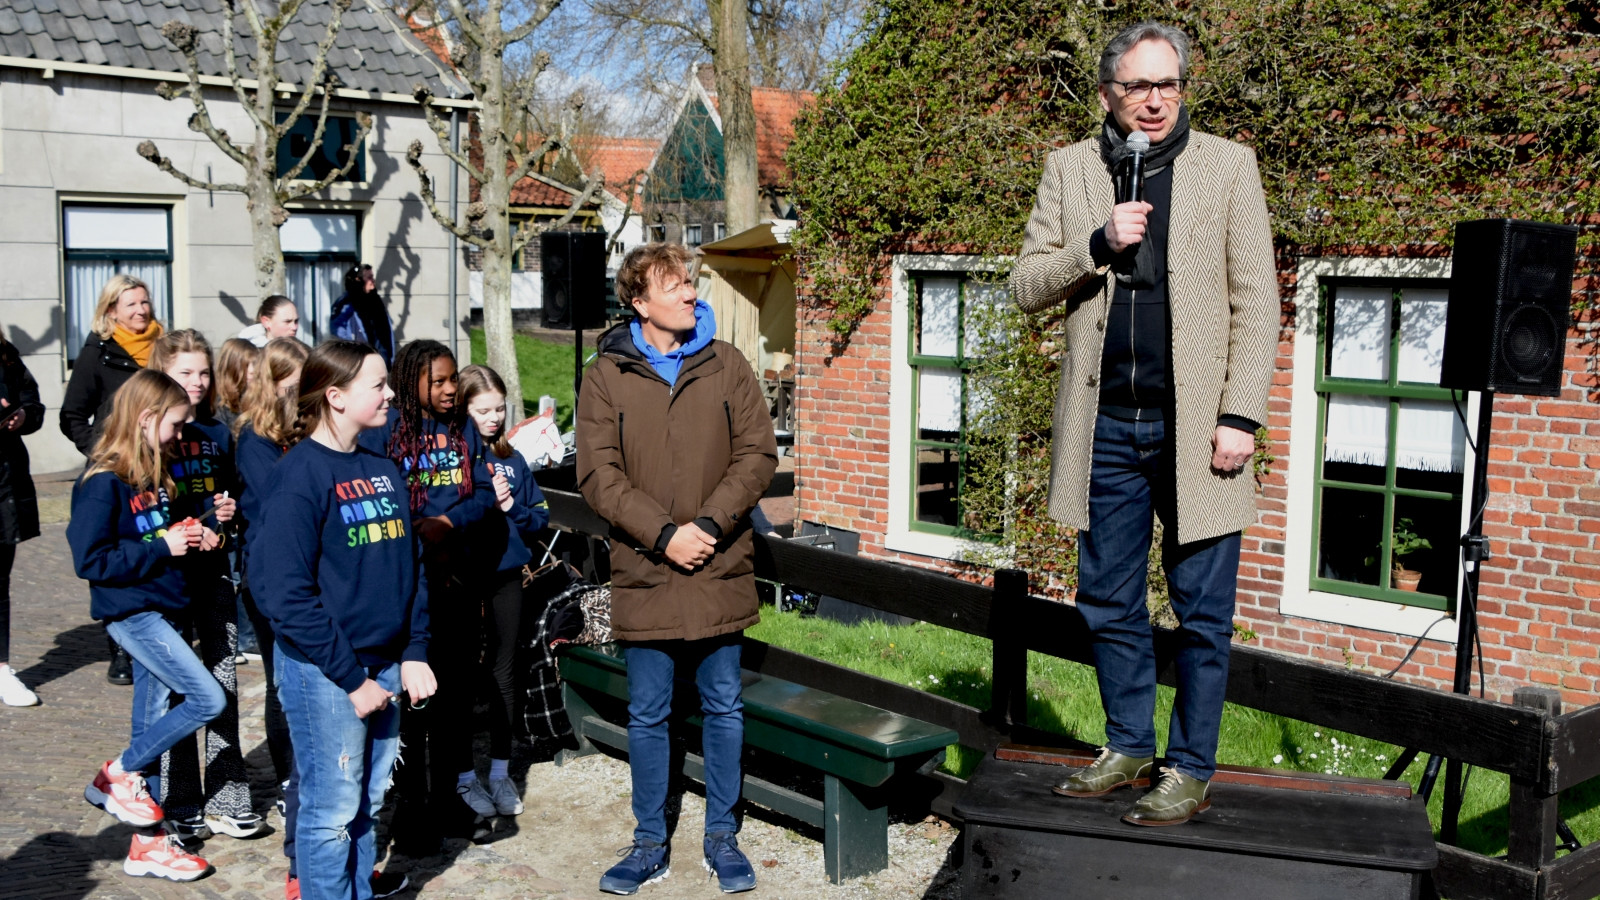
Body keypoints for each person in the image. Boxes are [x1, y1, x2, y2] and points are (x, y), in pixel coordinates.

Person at [1008, 20, 1277, 826]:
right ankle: (1128, 745)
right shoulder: (1070, 169)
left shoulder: (1228, 165)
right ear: (1107, 94)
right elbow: (1025, 286)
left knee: (1203, 612)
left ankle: (1189, 768)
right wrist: (1095, 243)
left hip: (1197, 431)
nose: (1155, 100)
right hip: (1104, 429)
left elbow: (1257, 303)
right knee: (1106, 598)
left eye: (1168, 84)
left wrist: (1239, 415)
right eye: (1138, 86)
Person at [577, 242, 777, 895]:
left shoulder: (727, 363)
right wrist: (664, 535)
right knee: (648, 713)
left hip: (718, 565)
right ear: (640, 302)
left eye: (689, 282)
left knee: (723, 706)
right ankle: (648, 844)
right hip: (647, 569)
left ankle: (722, 837)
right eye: (674, 285)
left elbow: (757, 454)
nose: (691, 292)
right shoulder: (606, 376)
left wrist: (710, 526)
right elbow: (597, 475)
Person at [252, 340, 436, 900]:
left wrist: (415, 649)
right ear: (334, 397)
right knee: (330, 812)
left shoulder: (382, 468)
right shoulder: (298, 476)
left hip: (386, 665)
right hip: (327, 673)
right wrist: (353, 680)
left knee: (368, 804)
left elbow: (412, 566)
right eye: (377, 386)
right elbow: (284, 596)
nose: (391, 395)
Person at [69, 369, 230, 882]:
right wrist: (163, 546)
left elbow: (155, 535)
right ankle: (116, 774)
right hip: (134, 614)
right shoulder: (102, 482)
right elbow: (92, 561)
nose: (182, 435)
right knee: (207, 699)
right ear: (145, 418)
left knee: (151, 727)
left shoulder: (154, 471)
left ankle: (148, 844)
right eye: (176, 425)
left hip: (165, 606)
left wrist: (199, 525)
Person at [359, 339, 495, 853]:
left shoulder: (462, 427)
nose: (449, 389)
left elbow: (484, 494)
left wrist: (447, 523)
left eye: (453, 378)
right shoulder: (385, 430)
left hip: (458, 579)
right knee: (414, 703)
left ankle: (448, 800)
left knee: (455, 700)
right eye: (436, 381)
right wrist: (419, 533)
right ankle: (410, 808)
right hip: (408, 584)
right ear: (409, 380)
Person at [147, 330, 261, 841]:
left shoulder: (216, 431)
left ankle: (226, 795)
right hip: (169, 578)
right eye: (185, 372)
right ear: (162, 374)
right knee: (179, 689)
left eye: (203, 372)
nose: (196, 382)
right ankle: (179, 801)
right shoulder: (149, 436)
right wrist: (184, 529)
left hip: (214, 571)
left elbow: (228, 488)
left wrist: (227, 511)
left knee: (222, 679)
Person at [61, 274, 167, 687]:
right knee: (119, 547)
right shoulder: (97, 354)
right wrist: (105, 452)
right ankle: (120, 647)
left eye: (144, 302)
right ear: (111, 311)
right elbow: (72, 415)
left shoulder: (163, 346)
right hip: (120, 469)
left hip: (161, 464)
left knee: (157, 541)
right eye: (131, 304)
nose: (141, 310)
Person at [231, 337, 310, 878]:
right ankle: (287, 781)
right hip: (270, 579)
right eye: (296, 383)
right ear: (275, 383)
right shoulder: (254, 440)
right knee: (283, 682)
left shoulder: (301, 431)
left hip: (306, 574)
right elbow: (277, 506)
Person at [457, 364, 550, 818]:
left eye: (499, 409)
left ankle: (499, 772)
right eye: (483, 411)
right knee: (458, 676)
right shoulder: (452, 460)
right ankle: (462, 777)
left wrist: (512, 506)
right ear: (463, 409)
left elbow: (540, 517)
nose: (494, 418)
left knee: (504, 672)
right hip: (461, 578)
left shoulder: (512, 459)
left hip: (507, 576)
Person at [0, 335, 44, 707]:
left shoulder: (6, 356)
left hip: (4, 482)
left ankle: (1, 669)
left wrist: (23, 414)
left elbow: (32, 401)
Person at [329, 265, 395, 366]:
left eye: (373, 277)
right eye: (369, 277)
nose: (373, 280)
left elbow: (386, 331)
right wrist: (354, 349)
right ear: (358, 280)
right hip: (359, 360)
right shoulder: (346, 302)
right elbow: (337, 329)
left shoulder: (376, 301)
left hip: (381, 358)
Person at [213, 338, 260, 431]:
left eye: (254, 364)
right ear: (232, 367)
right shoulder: (216, 405)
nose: (252, 370)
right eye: (246, 365)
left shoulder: (258, 398)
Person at [238, 296, 303, 348]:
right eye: (287, 322)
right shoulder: (250, 356)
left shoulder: (301, 352)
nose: (294, 327)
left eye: (296, 321)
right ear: (266, 322)